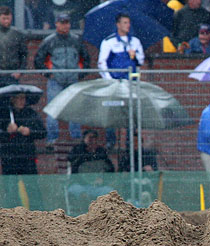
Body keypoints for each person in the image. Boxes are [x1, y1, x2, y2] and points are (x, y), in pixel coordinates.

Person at [34, 11, 90, 150]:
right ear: (56, 24)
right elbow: (38, 61)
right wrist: (49, 74)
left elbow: (86, 59)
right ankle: (52, 140)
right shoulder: (49, 41)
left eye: (67, 23)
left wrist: (80, 74)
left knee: (75, 110)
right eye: (62, 23)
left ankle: (76, 139)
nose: (65, 26)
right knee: (53, 110)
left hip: (73, 80)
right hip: (55, 81)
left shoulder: (76, 40)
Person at [0, 92, 44, 209]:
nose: (21, 101)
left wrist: (30, 132)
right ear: (12, 99)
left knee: (32, 186)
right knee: (10, 187)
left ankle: (37, 211)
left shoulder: (30, 114)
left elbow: (42, 132)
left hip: (27, 156)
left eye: (23, 98)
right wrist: (6, 131)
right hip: (9, 157)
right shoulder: (4, 114)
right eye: (18, 98)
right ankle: (12, 211)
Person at [99, 13, 144, 80]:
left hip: (132, 81)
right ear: (118, 25)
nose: (128, 25)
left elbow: (141, 61)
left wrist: (135, 56)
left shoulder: (135, 41)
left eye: (129, 23)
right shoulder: (108, 41)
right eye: (125, 23)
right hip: (115, 81)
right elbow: (101, 62)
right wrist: (109, 79)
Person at [0, 6, 27, 88]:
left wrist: (20, 71)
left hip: (12, 74)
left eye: (8, 18)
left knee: (12, 94)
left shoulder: (17, 34)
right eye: (4, 18)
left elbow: (24, 55)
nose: (6, 21)